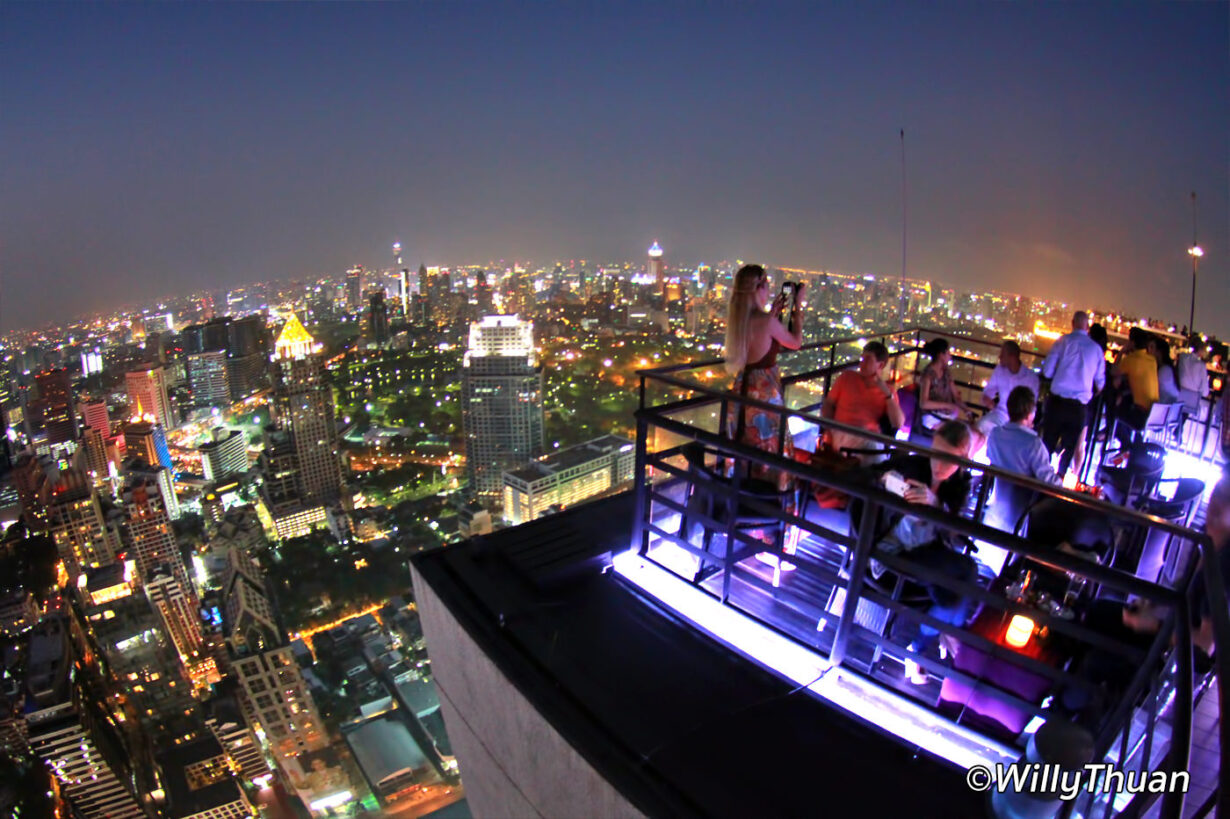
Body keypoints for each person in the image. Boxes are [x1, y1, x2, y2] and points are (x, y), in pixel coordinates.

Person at [867, 421, 980, 684]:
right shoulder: (915, 465)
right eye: (935, 453)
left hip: (926, 550)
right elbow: (874, 474)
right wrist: (895, 485)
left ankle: (926, 644)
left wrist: (936, 503)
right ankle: (941, 639)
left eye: (947, 459)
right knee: (959, 582)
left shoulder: (959, 485)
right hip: (892, 550)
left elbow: (955, 530)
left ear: (962, 460)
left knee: (955, 588)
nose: (937, 465)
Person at [724, 264, 805, 560]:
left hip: (742, 395)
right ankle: (773, 536)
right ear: (758, 288)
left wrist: (773, 312)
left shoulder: (741, 319)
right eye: (767, 283)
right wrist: (798, 308)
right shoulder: (764, 321)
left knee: (747, 457)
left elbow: (760, 338)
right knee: (775, 460)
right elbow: (795, 342)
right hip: (765, 398)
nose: (770, 288)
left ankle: (748, 526)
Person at [1040, 311, 1106, 479]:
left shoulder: (1062, 342)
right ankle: (1059, 481)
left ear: (1072, 323)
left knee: (1047, 443)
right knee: (1069, 448)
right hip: (1078, 407)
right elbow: (1100, 383)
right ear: (1087, 327)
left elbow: (1047, 372)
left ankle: (1040, 480)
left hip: (1057, 403)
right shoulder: (1096, 350)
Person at [986, 387, 1058, 535]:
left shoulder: (995, 434)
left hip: (994, 508)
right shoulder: (1033, 443)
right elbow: (1049, 481)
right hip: (1021, 513)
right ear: (1031, 414)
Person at [820, 340, 905, 464]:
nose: (862, 363)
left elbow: (898, 423)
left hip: (867, 438)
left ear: (880, 365)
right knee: (877, 457)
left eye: (868, 360)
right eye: (862, 358)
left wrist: (888, 395)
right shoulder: (847, 377)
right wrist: (828, 427)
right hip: (842, 431)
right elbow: (829, 404)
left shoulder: (888, 391)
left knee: (873, 448)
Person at [976, 340, 1040, 435]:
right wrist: (987, 399)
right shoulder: (1000, 370)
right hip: (1000, 415)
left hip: (1019, 421)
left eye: (1002, 354)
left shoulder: (1031, 378)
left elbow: (1031, 407)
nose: (1000, 357)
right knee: (981, 427)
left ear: (1012, 357)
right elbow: (989, 391)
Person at [1109, 326, 1159, 448]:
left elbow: (1113, 372)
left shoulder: (1130, 360)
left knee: (1112, 410)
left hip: (1140, 416)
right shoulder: (1152, 360)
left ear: (1132, 343)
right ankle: (1133, 444)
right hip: (1153, 415)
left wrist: (1121, 352)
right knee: (1124, 402)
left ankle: (1126, 445)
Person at [918, 338, 974, 430]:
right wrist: (947, 405)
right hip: (931, 417)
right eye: (948, 353)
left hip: (946, 415)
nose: (950, 356)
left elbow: (956, 396)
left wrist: (967, 411)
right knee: (962, 433)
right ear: (941, 355)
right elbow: (923, 403)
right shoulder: (928, 375)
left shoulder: (946, 372)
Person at [1176, 336, 1210, 414]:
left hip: (1179, 395)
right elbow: (1205, 392)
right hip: (1191, 402)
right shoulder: (1201, 365)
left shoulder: (1183, 357)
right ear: (1201, 350)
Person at [1153, 337, 1180, 405]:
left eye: (1152, 347)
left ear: (1159, 352)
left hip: (1160, 408)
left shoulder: (1164, 370)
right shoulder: (1168, 369)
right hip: (1167, 408)